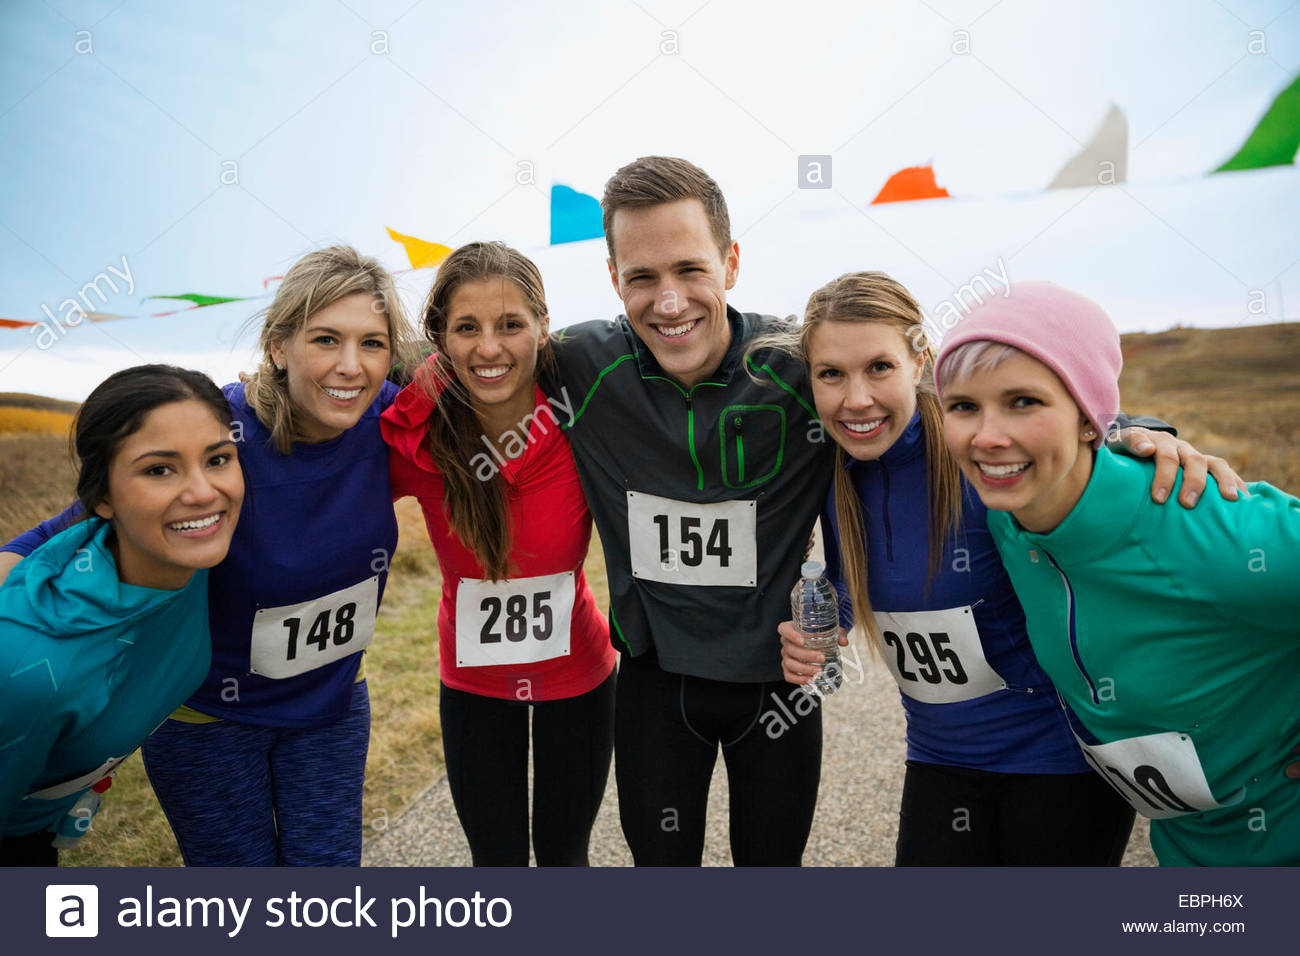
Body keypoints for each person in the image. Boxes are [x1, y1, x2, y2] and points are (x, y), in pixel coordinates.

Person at [545, 156, 1222, 866]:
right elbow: (478, 357)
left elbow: (1031, 425)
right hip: (802, 721)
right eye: (642, 277)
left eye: (689, 269)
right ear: (614, 280)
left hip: (1025, 754)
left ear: (732, 262)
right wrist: (829, 616)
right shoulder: (586, 364)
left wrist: (1145, 437)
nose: (671, 301)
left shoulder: (810, 378)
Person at [3, 245, 416, 866]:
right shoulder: (215, 433)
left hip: (331, 707)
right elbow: (63, 531)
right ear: (278, 346)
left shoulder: (392, 416)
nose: (351, 366)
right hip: (207, 723)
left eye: (373, 343)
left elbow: (485, 371)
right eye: (326, 340)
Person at [766, 273, 1139, 864]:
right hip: (939, 759)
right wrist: (818, 631)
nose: (855, 398)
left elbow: (1080, 429)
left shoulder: (977, 448)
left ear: (918, 359)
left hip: (1059, 761)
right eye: (831, 373)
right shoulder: (830, 471)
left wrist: (1156, 436)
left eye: (879, 367)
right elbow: (851, 584)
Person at [933, 280, 1300, 866]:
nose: (988, 437)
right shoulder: (1006, 507)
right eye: (963, 407)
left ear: (1088, 418)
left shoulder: (1198, 520)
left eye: (1024, 402)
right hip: (1194, 859)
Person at [381, 241, 616, 865]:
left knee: (565, 858)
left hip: (581, 678)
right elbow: (325, 458)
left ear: (542, 328)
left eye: (511, 324)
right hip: (474, 686)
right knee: (498, 864)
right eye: (467, 328)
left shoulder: (584, 418)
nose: (489, 348)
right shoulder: (413, 431)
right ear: (440, 337)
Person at [0, 365, 243, 866]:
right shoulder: (30, 667)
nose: (201, 492)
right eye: (159, 469)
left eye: (217, 459)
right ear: (101, 497)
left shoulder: (185, 554)